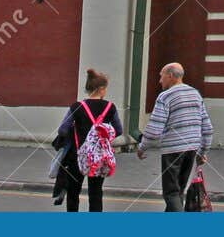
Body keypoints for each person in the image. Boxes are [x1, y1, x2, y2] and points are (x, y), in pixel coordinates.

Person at [137, 61, 212, 211]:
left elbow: (154, 130)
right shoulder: (195, 94)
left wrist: (142, 147)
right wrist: (203, 151)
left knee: (171, 192)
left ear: (170, 76)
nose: (160, 80)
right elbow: (207, 127)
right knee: (179, 191)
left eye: (161, 76)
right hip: (192, 148)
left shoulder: (165, 97)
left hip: (172, 150)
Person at [52, 67, 123, 212]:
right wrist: (103, 138)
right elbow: (119, 130)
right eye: (105, 88)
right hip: (99, 156)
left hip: (77, 155)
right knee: (96, 192)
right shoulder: (110, 107)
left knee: (73, 191)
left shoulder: (77, 106)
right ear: (101, 89)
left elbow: (62, 130)